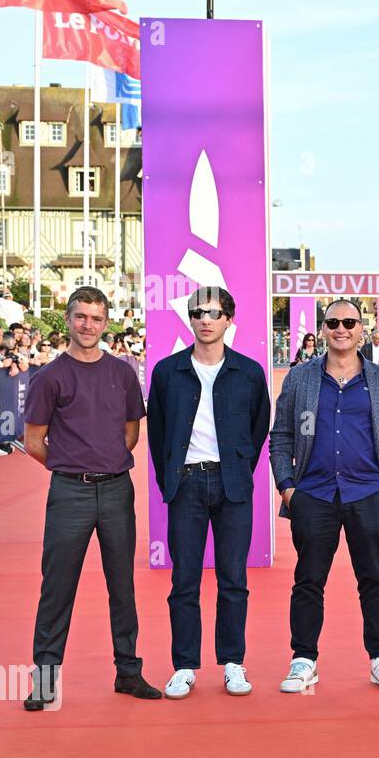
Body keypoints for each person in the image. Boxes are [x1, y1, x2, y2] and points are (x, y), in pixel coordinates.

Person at [21, 286, 158, 709]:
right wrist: (70, 465)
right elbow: (33, 441)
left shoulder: (121, 373)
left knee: (122, 584)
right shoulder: (50, 377)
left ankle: (129, 672)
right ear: (68, 319)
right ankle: (44, 681)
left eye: (97, 318)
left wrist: (106, 460)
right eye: (81, 316)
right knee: (57, 588)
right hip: (69, 493)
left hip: (117, 489)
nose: (88, 325)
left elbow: (132, 430)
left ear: (106, 323)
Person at [269, 300, 379, 694]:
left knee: (374, 578)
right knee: (308, 580)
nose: (341, 329)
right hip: (312, 494)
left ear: (362, 329)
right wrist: (287, 487)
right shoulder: (301, 379)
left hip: (369, 493)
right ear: (323, 328)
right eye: (333, 322)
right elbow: (281, 435)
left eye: (349, 322)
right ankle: (303, 660)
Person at [147, 286, 271, 699]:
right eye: (198, 311)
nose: (205, 319)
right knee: (184, 581)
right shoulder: (167, 372)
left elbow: (258, 427)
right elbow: (158, 432)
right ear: (190, 318)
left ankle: (233, 663)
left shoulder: (249, 372)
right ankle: (184, 665)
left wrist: (238, 470)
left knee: (233, 579)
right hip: (186, 485)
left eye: (213, 312)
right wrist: (172, 480)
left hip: (232, 484)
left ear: (228, 320)